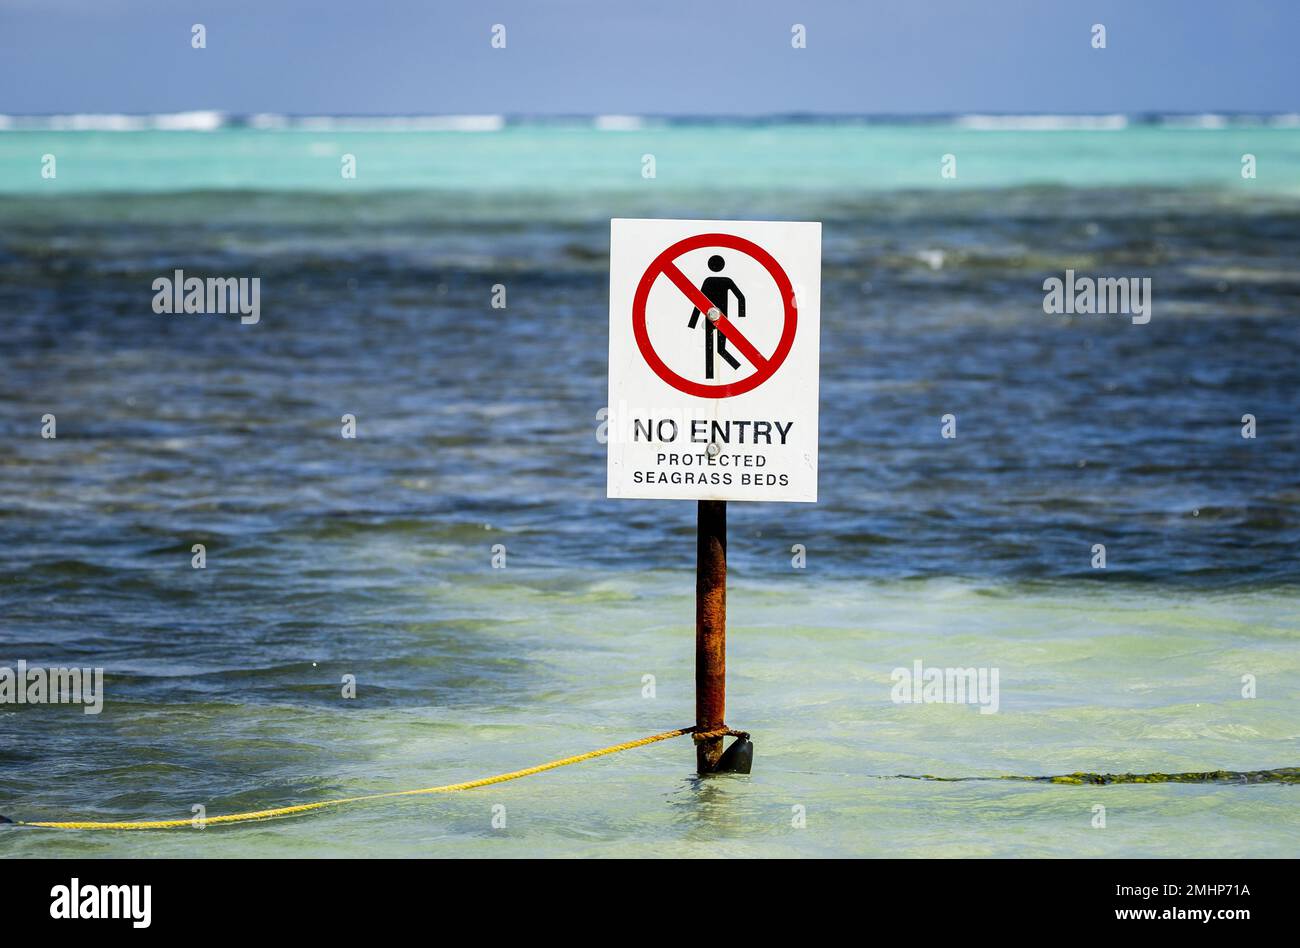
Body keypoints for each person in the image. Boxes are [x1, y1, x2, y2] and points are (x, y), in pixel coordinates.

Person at [686, 255, 746, 379]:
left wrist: (693, 322)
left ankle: (717, 373)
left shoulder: (709, 281)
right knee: (719, 349)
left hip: (714, 319)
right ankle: (715, 375)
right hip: (721, 320)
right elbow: (741, 297)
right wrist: (741, 314)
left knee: (712, 349)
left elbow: (698, 302)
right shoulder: (726, 281)